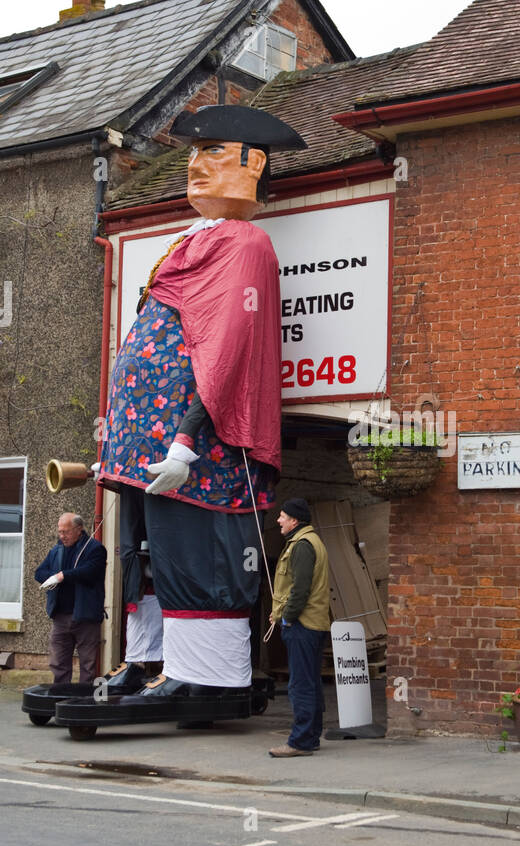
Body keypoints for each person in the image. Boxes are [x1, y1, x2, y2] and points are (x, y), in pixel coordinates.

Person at [95, 105, 306, 702]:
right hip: (145, 440)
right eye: (191, 152)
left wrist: (187, 439)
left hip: (194, 445)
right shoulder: (194, 239)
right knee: (148, 549)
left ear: (252, 163)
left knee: (194, 547)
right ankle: (148, 656)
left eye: (211, 151)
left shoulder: (246, 244)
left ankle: (205, 672)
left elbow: (228, 350)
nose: (193, 163)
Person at [267, 498, 331, 757]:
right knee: (311, 682)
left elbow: (300, 589)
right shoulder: (310, 541)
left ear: (294, 520)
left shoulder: (302, 546)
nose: (278, 520)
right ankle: (311, 737)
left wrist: (286, 617)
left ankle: (300, 741)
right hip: (314, 623)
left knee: (301, 685)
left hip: (303, 624)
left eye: (282, 516)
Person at [35, 513, 107, 684]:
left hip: (86, 615)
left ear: (79, 529)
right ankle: (60, 698)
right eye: (60, 532)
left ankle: (83, 703)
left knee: (88, 664)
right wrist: (55, 576)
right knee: (58, 662)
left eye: (66, 532)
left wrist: (63, 576)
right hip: (60, 615)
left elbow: (88, 571)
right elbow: (39, 573)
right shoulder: (56, 550)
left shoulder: (95, 549)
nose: (62, 536)